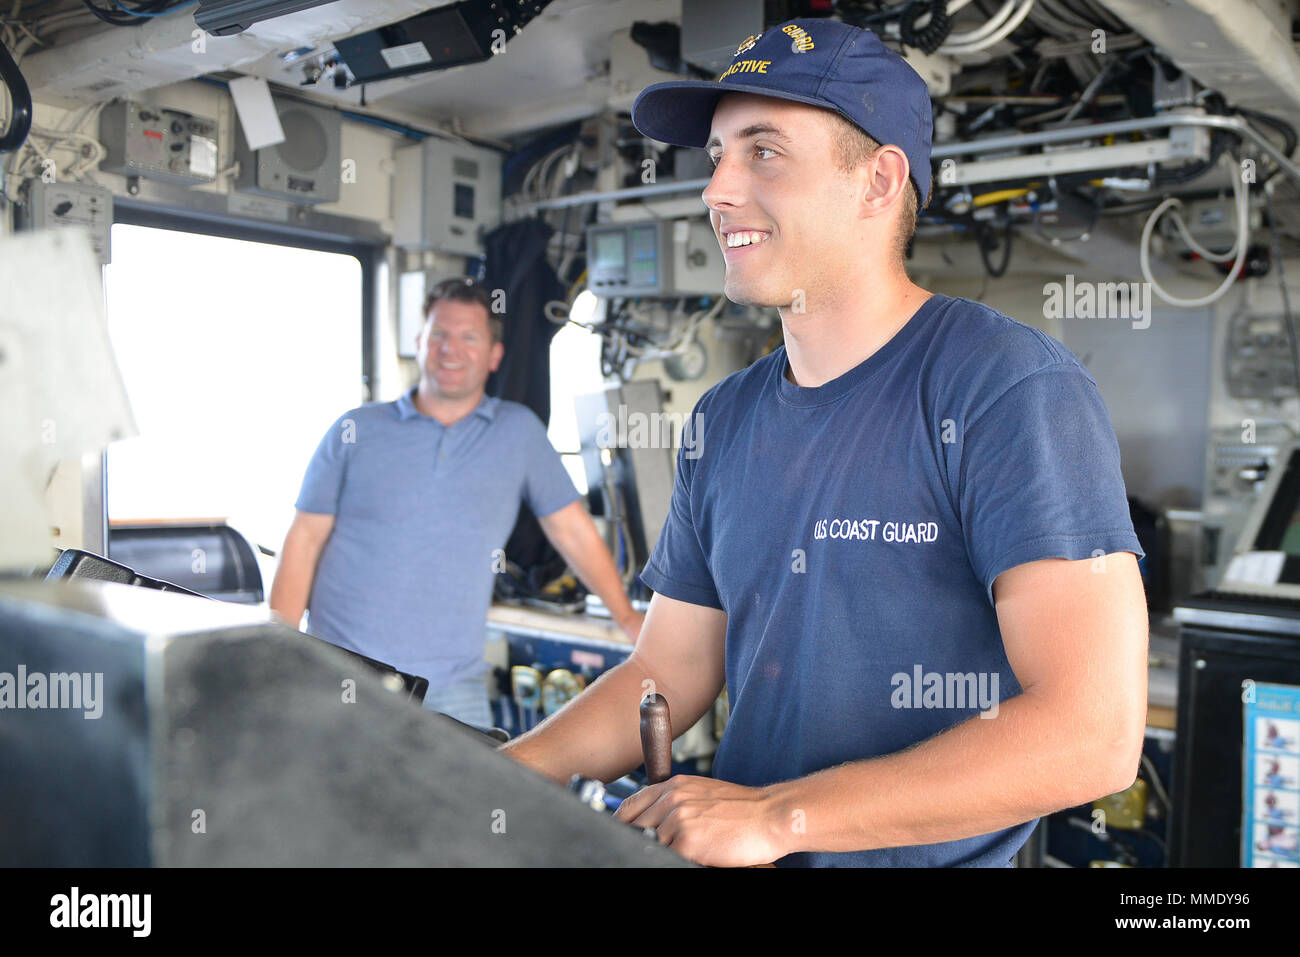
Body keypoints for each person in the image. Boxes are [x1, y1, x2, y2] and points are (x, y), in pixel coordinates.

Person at [501, 18, 1149, 867]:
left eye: (763, 151)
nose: (716, 189)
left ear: (879, 181)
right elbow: (665, 673)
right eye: (718, 154)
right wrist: (493, 773)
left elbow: (1090, 732)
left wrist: (777, 818)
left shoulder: (1006, 387)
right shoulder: (722, 419)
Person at [270, 277, 643, 727]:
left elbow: (571, 530)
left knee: (466, 799)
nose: (451, 349)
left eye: (469, 337)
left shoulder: (518, 433)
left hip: (450, 686)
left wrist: (626, 617)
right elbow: (304, 541)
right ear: (420, 342)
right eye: (440, 335)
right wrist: (278, 655)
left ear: (493, 356)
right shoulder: (355, 429)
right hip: (338, 673)